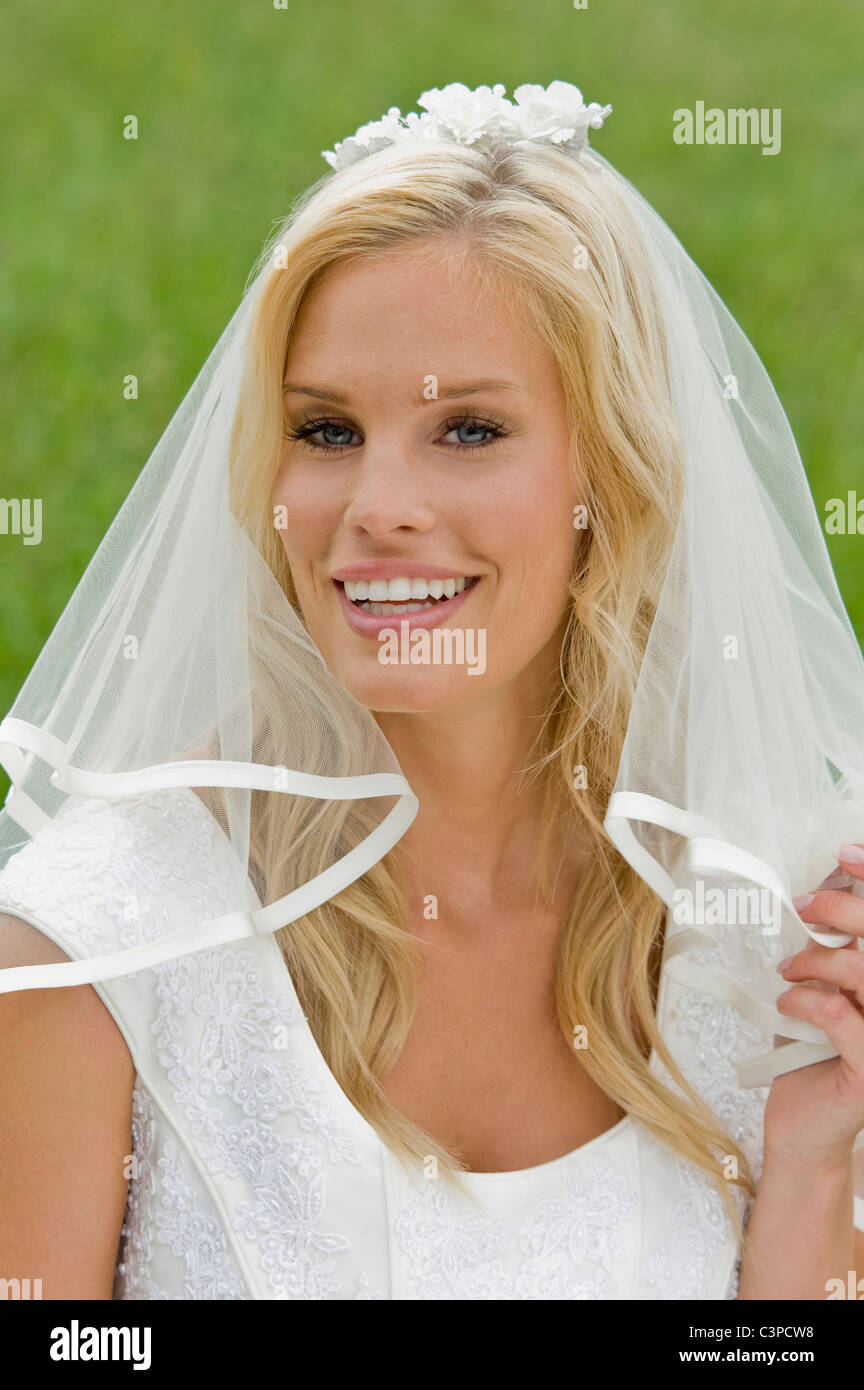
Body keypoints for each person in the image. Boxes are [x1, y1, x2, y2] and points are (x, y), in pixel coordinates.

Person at [0, 81, 863, 1301]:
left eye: (467, 430)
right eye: (328, 429)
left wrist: (817, 1168)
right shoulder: (97, 945)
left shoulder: (755, 932)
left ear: (608, 480)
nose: (375, 509)